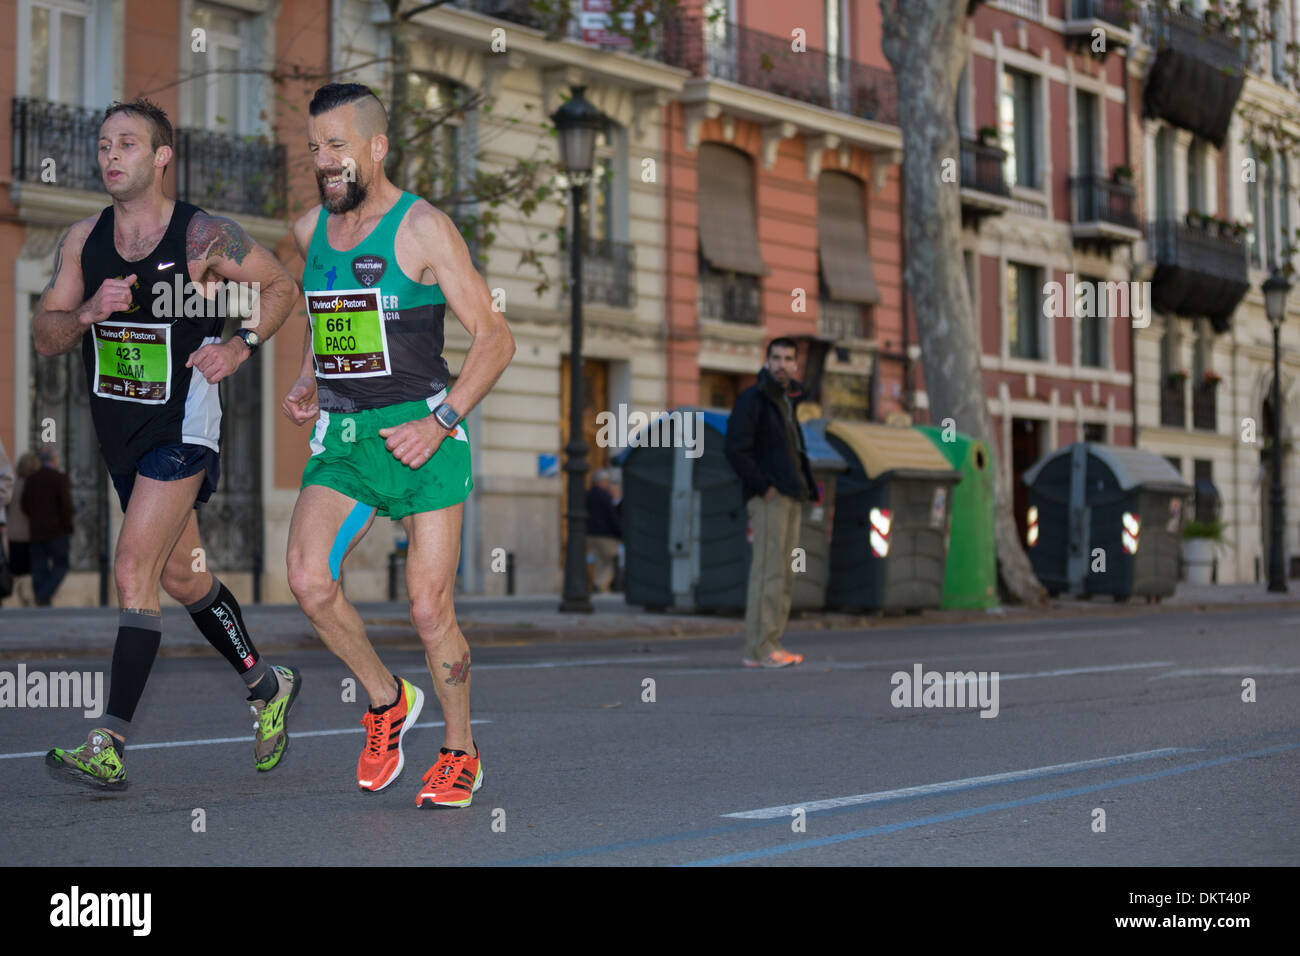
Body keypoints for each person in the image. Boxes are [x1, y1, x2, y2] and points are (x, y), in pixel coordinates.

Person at [35, 98, 301, 790]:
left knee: (132, 567)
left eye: (127, 143)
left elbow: (279, 287)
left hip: (184, 427)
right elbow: (46, 334)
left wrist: (239, 347)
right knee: (181, 576)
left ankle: (109, 739)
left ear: (161, 157)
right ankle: (268, 686)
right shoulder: (81, 241)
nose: (110, 155)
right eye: (102, 145)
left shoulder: (201, 236)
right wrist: (89, 311)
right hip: (119, 435)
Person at [281, 84, 514, 807]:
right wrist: (308, 376)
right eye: (315, 147)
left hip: (423, 433)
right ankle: (386, 700)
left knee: (426, 608)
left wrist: (442, 419)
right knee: (308, 581)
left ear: (377, 148)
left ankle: (460, 749)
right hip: (347, 436)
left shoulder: (423, 228)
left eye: (338, 146)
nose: (324, 161)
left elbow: (495, 338)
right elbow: (330, 318)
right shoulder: (307, 229)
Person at [723, 337, 819, 668]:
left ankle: (771, 643)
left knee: (786, 574)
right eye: (775, 358)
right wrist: (763, 487)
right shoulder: (754, 399)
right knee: (768, 572)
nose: (781, 364)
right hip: (769, 498)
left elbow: (794, 451)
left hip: (792, 495)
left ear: (795, 365)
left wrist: (805, 487)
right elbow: (735, 447)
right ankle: (761, 648)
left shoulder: (788, 401)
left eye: (788, 358)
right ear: (767, 362)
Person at [20, 446, 74, 606]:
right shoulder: (59, 478)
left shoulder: (31, 479)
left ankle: (42, 598)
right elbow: (67, 506)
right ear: (53, 460)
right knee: (61, 565)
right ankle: (43, 595)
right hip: (57, 532)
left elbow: (24, 505)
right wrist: (68, 526)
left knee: (39, 567)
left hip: (37, 531)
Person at [6, 452, 41, 606]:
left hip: (13, 533)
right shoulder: (33, 485)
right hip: (28, 533)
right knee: (29, 570)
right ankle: (26, 599)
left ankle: (11, 598)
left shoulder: (14, 484)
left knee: (15, 569)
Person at [586, 469, 622, 592]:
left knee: (599, 562)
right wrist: (619, 532)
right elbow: (611, 516)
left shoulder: (588, 494)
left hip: (590, 533)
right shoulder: (605, 496)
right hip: (606, 535)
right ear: (601, 482)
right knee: (611, 561)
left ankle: (600, 585)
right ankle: (600, 584)